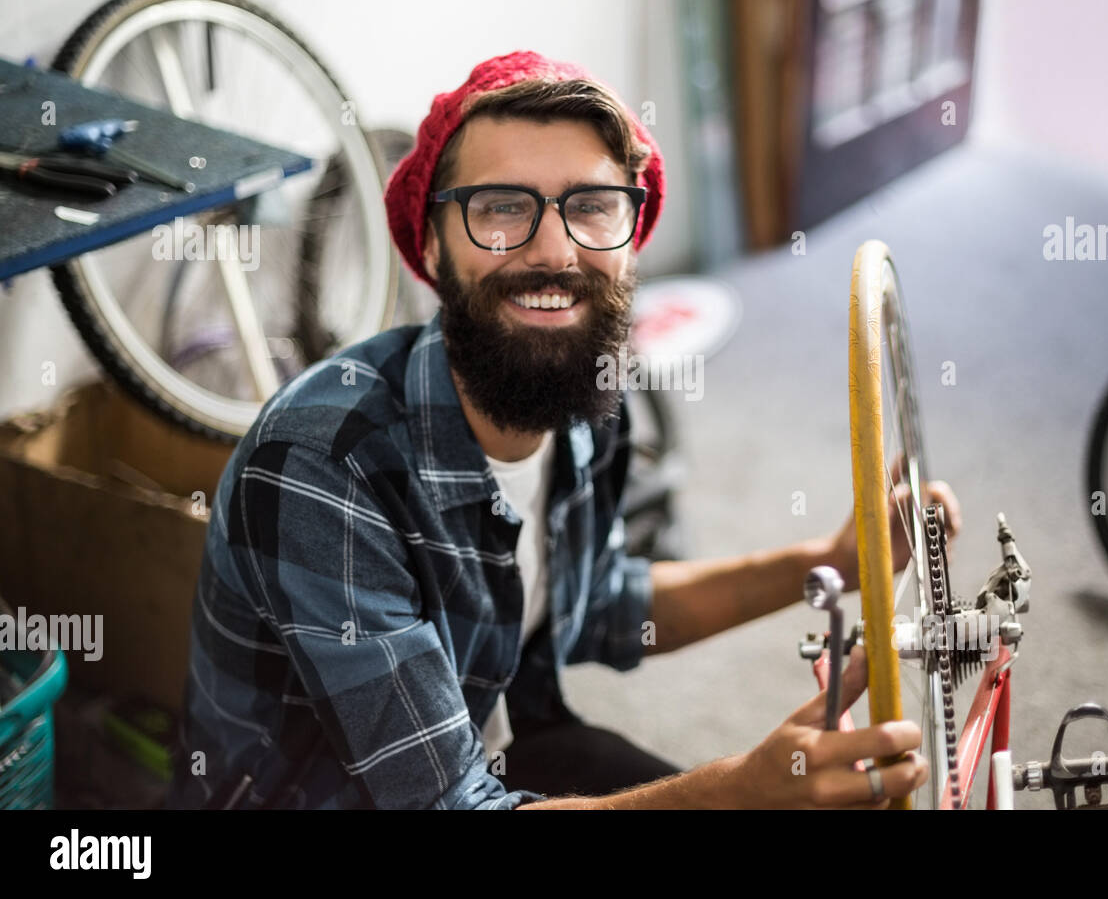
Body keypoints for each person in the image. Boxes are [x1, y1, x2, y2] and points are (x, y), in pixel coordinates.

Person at [166, 50, 960, 810]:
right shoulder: (319, 469)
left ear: (630, 235)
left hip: (501, 746)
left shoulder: (582, 396)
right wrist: (735, 793)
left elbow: (601, 602)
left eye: (590, 206)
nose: (554, 251)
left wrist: (824, 562)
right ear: (434, 247)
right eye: (502, 208)